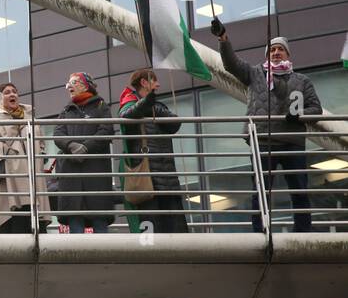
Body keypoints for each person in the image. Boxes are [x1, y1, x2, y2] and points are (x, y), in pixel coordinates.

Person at [213, 23, 323, 232]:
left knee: (299, 190)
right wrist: (223, 39)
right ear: (267, 56)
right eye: (272, 50)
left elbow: (315, 109)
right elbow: (231, 64)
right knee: (261, 192)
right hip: (263, 140)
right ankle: (260, 233)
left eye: (280, 49)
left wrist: (299, 116)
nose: (276, 52)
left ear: (288, 54)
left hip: (292, 142)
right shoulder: (254, 74)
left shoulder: (302, 80)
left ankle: (302, 234)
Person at [118, 69, 189, 234]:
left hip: (167, 178)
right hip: (147, 179)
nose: (158, 85)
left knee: (175, 229)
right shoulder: (129, 103)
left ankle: (178, 259)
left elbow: (174, 124)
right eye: (155, 81)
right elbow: (126, 117)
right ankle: (150, 260)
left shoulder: (156, 105)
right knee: (149, 231)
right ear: (144, 82)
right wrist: (147, 104)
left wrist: (150, 106)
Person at [0, 83, 51, 233]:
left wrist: (41, 153)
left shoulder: (30, 116)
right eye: (7, 93)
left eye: (14, 92)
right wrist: (2, 146)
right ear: (0, 98)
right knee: (16, 219)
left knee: (38, 219)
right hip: (11, 174)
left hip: (33, 173)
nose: (12, 95)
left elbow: (42, 142)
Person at [53, 72, 116, 233]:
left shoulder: (101, 106)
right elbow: (58, 134)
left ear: (85, 85)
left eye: (74, 82)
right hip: (72, 173)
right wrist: (72, 146)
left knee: (99, 219)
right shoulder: (66, 110)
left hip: (96, 171)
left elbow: (106, 130)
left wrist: (86, 147)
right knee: (75, 219)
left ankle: (104, 258)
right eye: (69, 83)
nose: (69, 86)